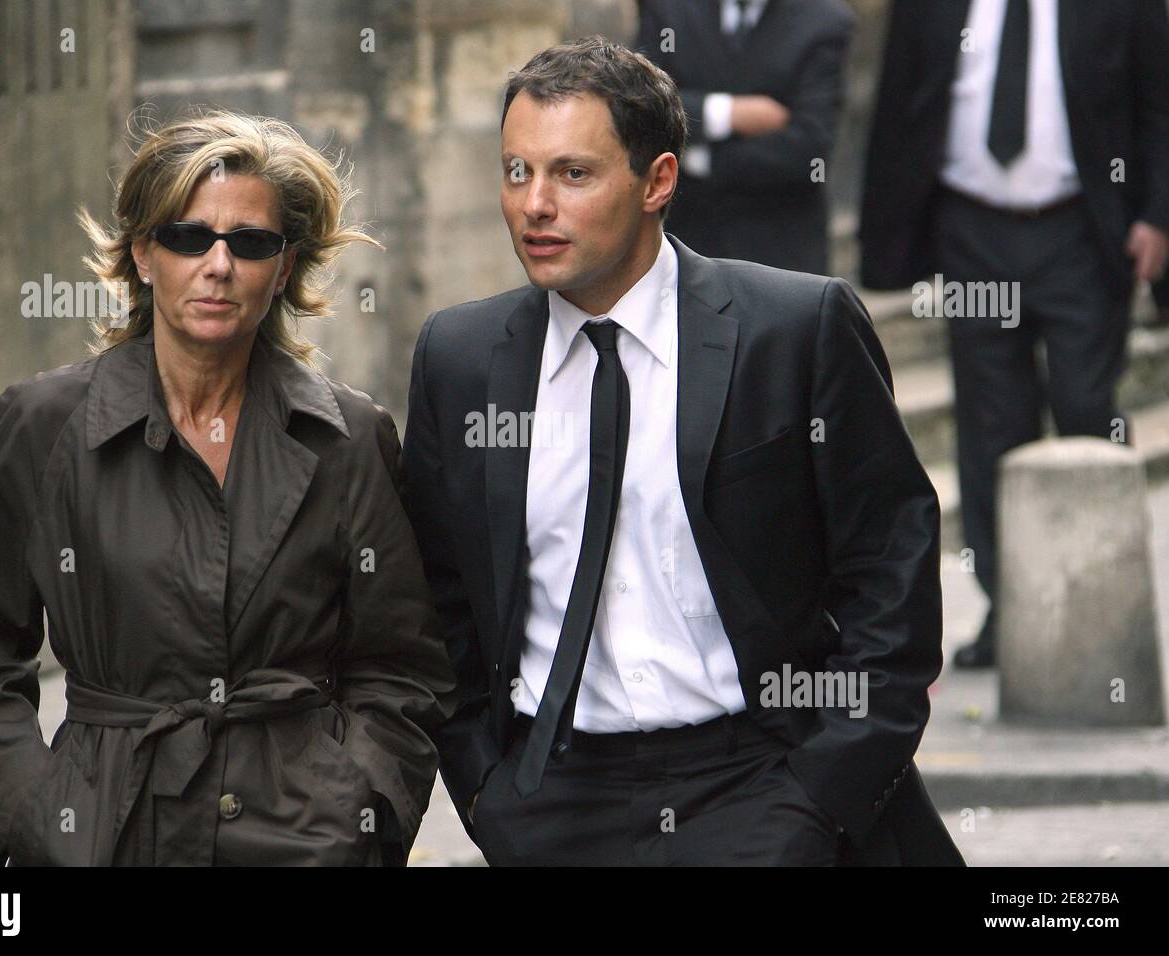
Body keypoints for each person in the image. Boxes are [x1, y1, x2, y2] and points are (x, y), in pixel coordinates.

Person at [402, 37, 962, 865]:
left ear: (658, 180)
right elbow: (437, 599)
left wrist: (820, 796)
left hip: (759, 778)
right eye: (518, 172)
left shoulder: (793, 328)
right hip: (554, 798)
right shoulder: (459, 356)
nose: (535, 205)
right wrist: (489, 790)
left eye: (573, 173)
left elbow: (892, 573)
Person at [0, 108, 455, 866]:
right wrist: (32, 812)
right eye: (188, 236)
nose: (218, 265)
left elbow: (401, 667)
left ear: (284, 268)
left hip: (299, 837)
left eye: (250, 243)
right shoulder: (42, 427)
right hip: (104, 833)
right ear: (143, 255)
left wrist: (358, 812)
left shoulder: (347, 439)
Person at [860, 0, 1169, 668]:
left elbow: (1159, 102)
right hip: (972, 230)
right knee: (991, 423)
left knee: (1087, 408)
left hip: (1083, 233)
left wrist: (1157, 215)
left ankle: (1093, 605)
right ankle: (1011, 610)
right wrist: (888, 239)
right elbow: (900, 97)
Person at [635, 0, 855, 274]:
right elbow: (641, 104)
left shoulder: (823, 19)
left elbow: (808, 152)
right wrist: (725, 113)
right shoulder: (668, 9)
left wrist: (698, 158)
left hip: (780, 250)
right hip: (685, 244)